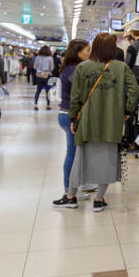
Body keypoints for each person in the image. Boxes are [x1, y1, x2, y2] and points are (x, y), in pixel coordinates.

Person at [54, 33, 138, 211]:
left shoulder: (82, 67)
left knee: (80, 158)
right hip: (112, 122)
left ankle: (71, 196)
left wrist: (73, 118)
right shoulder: (121, 67)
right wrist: (127, 110)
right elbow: (133, 90)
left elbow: (75, 96)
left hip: (87, 121)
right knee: (107, 160)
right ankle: (99, 200)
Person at [52, 39, 90, 208]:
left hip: (71, 115)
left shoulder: (74, 68)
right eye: (87, 50)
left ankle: (75, 188)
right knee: (72, 154)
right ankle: (69, 192)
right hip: (70, 116)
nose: (89, 53)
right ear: (78, 52)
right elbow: (84, 89)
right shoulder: (73, 70)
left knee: (77, 154)